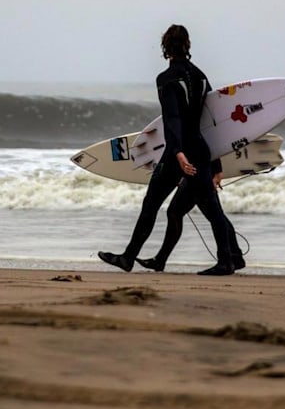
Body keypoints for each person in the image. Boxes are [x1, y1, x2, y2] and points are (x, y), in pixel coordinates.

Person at [98, 24, 243, 276]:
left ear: (165, 47)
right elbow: (212, 121)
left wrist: (177, 153)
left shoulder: (166, 80)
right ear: (187, 45)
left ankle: (128, 258)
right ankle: (228, 260)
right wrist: (215, 164)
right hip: (200, 150)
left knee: (151, 204)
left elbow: (172, 118)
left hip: (179, 153)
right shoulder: (201, 77)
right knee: (211, 207)